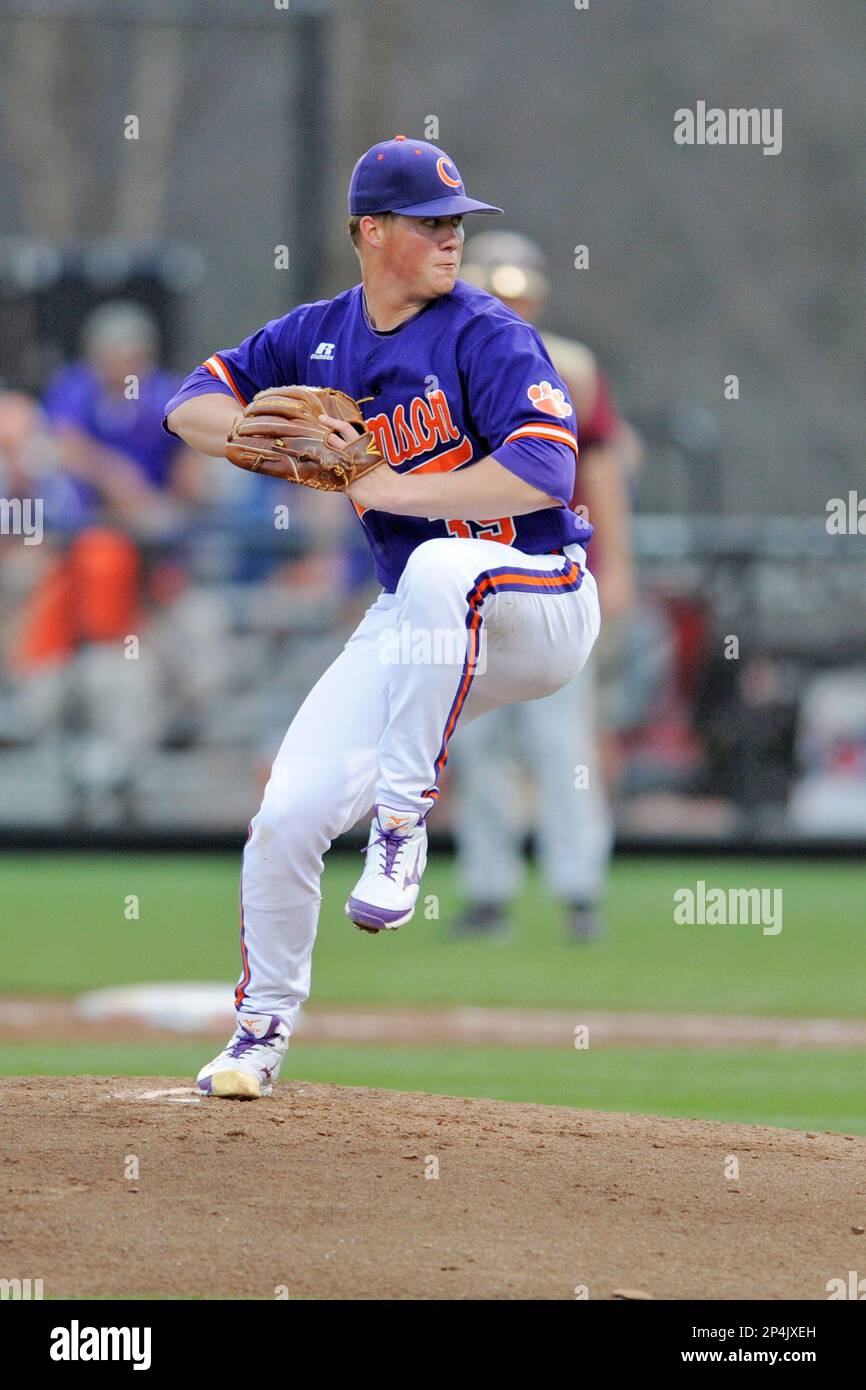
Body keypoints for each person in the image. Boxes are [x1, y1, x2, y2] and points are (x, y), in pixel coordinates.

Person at [164, 136, 601, 1099]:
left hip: (538, 602)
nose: (452, 239)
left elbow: (546, 470)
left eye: (458, 223)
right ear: (369, 230)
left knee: (445, 562)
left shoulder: (486, 332)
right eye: (430, 223)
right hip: (422, 623)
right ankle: (259, 1033)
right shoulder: (318, 335)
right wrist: (251, 442)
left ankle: (402, 826)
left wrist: (381, 484)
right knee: (284, 816)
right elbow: (190, 404)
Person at [449, 232, 636, 940]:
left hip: (551, 570)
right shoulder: (440, 361)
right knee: (479, 743)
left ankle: (579, 889)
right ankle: (489, 891)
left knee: (562, 742)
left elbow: (604, 473)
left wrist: (618, 565)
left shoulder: (569, 366)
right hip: (468, 575)